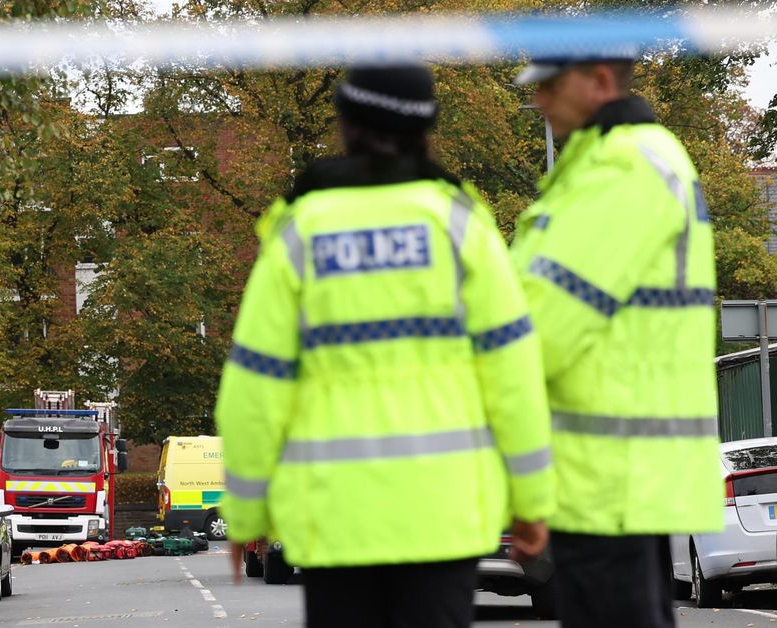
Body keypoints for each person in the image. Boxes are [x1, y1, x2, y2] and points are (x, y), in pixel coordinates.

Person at [215, 64, 555, 628]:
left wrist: (247, 509)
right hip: (443, 513)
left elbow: (255, 386)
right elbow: (514, 378)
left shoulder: (301, 233)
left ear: (347, 126)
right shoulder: (461, 228)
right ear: (426, 131)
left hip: (335, 517)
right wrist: (533, 505)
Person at [510, 54, 721, 627]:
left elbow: (539, 328)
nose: (540, 101)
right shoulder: (613, 164)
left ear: (601, 80)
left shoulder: (622, 168)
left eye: (552, 87)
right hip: (613, 473)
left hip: (609, 475)